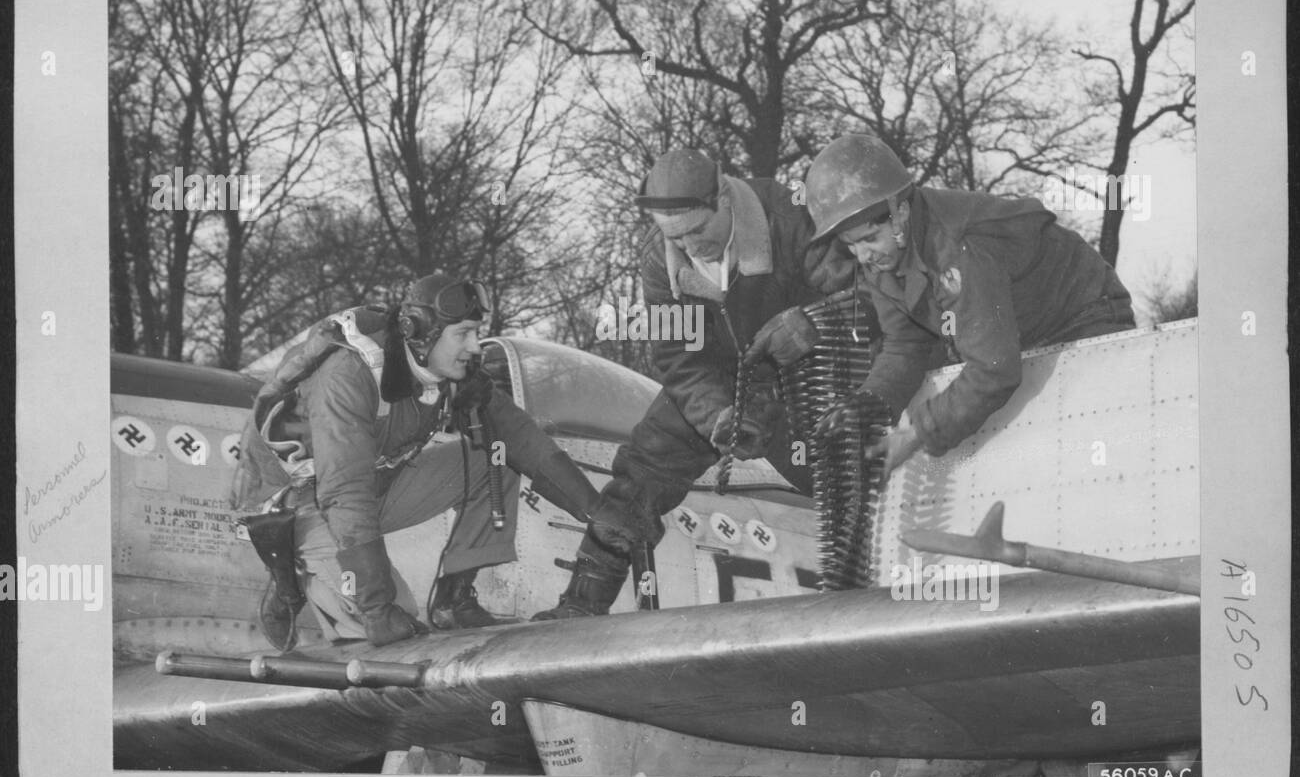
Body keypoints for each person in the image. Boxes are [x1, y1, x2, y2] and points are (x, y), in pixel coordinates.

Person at [533, 148, 850, 619]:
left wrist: (816, 321)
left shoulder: (789, 216)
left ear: (723, 197)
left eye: (699, 230)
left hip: (817, 368)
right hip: (727, 378)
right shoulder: (659, 261)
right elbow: (680, 357)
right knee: (645, 461)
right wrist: (717, 416)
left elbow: (868, 294)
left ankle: (865, 600)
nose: (690, 246)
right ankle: (581, 604)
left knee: (846, 481)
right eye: (674, 236)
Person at [232, 274, 602, 647]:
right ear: (420, 331)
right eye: (464, 333)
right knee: (392, 629)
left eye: (477, 332)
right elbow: (344, 492)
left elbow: (518, 434)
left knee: (497, 457)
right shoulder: (348, 374)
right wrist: (377, 605)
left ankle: (452, 601)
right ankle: (291, 579)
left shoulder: (443, 366)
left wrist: (596, 511)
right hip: (299, 504)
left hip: (367, 486)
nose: (475, 347)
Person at [745, 133, 1136, 474]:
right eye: (851, 246)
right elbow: (906, 344)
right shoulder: (885, 258)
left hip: (1085, 318)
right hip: (1026, 337)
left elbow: (994, 370)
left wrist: (914, 435)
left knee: (1082, 461)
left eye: (868, 239)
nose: (862, 257)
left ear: (900, 210)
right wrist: (870, 403)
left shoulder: (957, 248)